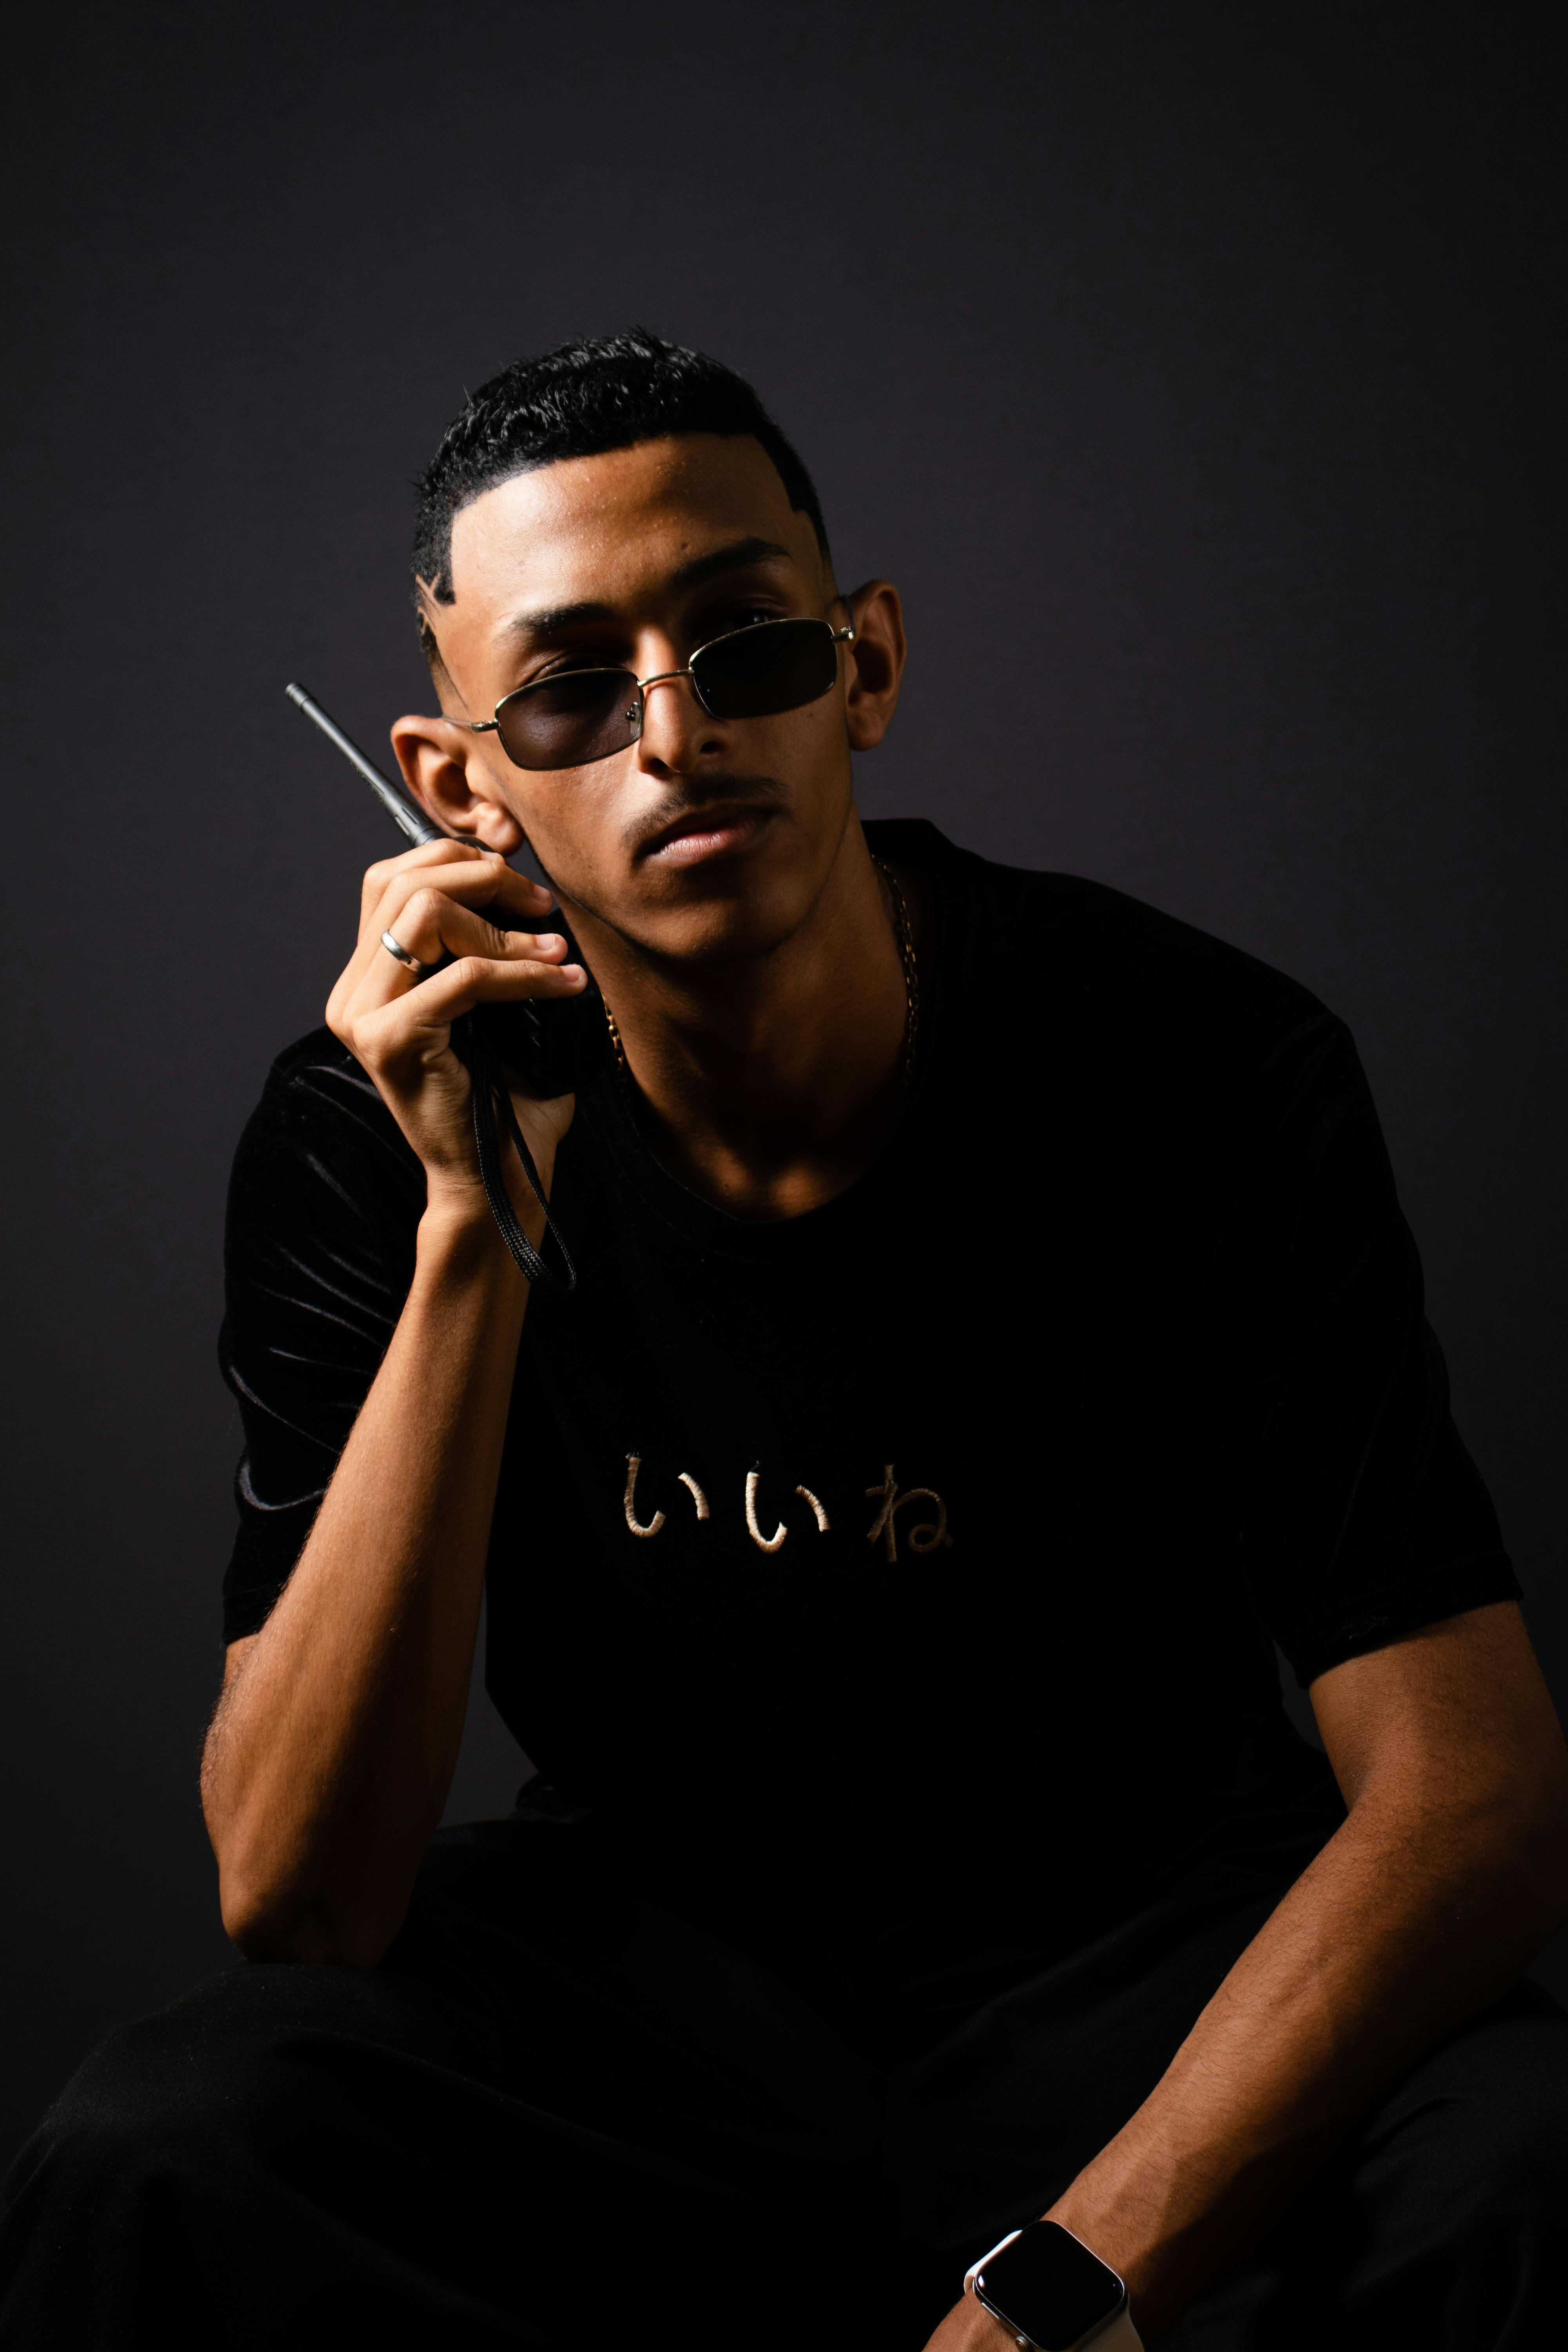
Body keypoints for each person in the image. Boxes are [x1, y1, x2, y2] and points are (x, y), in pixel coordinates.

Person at [3, 330, 1566, 2350]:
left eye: (745, 645)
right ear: (458, 780)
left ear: (867, 671)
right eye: (570, 686)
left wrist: (1075, 2280)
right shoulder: (360, 1133)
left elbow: (1478, 1789)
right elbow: (304, 1904)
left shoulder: (1199, 1071)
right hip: (655, 2012)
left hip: (1145, 1964)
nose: (675, 737)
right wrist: (476, 1220)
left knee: (1526, 2154)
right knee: (163, 2145)